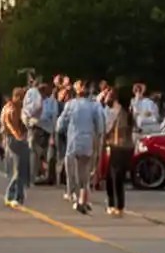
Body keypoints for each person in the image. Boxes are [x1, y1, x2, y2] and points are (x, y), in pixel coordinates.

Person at [56, 80, 105, 214]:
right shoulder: (94, 106)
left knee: (72, 172)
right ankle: (84, 200)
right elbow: (100, 126)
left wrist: (61, 130)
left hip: (73, 141)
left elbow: (61, 124)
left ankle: (76, 198)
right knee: (84, 172)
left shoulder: (70, 105)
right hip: (88, 141)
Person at [104, 87, 136, 216]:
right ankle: (117, 205)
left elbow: (109, 128)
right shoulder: (128, 111)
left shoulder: (117, 112)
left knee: (113, 177)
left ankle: (116, 205)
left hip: (118, 146)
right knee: (117, 177)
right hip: (127, 147)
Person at [25, 82, 60, 184]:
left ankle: (48, 177)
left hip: (47, 130)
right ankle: (34, 175)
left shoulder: (52, 102)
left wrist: (53, 132)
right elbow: (28, 114)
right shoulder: (34, 102)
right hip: (36, 128)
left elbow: (54, 117)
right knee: (34, 153)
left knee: (48, 155)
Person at [0, 87, 30, 207]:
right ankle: (10, 195)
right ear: (16, 96)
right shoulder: (11, 108)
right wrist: (19, 136)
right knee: (18, 170)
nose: (23, 100)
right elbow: (10, 125)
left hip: (17, 139)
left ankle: (20, 196)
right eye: (22, 97)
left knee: (22, 169)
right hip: (14, 140)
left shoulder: (16, 108)